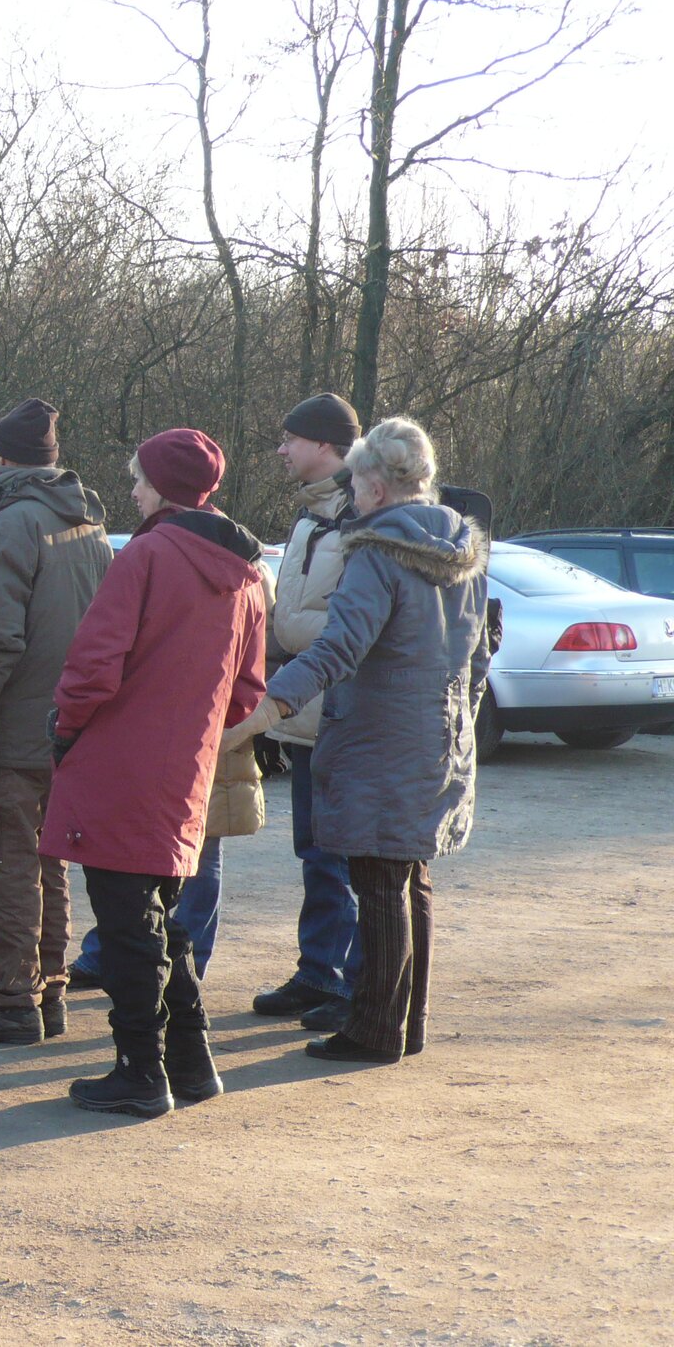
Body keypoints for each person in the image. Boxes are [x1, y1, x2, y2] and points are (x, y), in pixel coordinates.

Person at [231, 418, 489, 1065]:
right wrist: (459, 717)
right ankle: (409, 1022)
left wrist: (267, 708)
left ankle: (374, 1028)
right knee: (412, 879)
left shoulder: (377, 553)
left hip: (381, 740)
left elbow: (338, 646)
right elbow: (479, 657)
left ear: (373, 485)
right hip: (440, 737)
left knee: (378, 880)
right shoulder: (466, 552)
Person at [41, 428, 266, 1119]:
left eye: (137, 478)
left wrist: (67, 729)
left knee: (129, 924)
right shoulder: (250, 574)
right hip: (187, 766)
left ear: (162, 486)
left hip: (120, 762)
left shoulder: (146, 555)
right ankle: (191, 1063)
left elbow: (92, 665)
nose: (132, 489)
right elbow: (249, 691)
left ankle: (142, 1071)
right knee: (158, 918)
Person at [0, 399, 113, 1046]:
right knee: (48, 864)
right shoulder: (85, 524)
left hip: (9, 729)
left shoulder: (7, 527)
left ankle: (13, 1000)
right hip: (64, 727)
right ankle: (50, 992)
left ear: (0, 457)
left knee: (7, 865)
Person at [66, 575, 274, 992]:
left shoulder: (234, 573)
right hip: (185, 727)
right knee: (155, 857)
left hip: (209, 732)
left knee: (198, 852)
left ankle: (183, 965)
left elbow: (258, 661)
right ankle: (122, 953)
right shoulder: (199, 564)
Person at [250, 393, 368, 1032]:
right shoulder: (308, 519)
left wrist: (297, 640)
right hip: (304, 708)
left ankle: (352, 982)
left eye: (290, 438)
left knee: (344, 854)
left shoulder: (361, 515)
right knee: (315, 851)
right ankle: (318, 971)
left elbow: (363, 621)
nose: (281, 449)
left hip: (343, 709)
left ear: (324, 445)